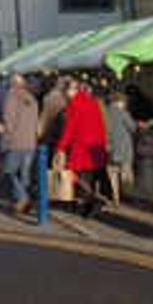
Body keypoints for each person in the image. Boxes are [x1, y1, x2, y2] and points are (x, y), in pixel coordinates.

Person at [56, 82, 110, 218]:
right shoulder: (93, 102)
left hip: (82, 148)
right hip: (96, 147)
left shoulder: (74, 104)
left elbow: (70, 128)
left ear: (71, 91)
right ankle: (91, 205)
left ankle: (93, 202)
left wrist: (61, 147)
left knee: (79, 177)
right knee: (91, 177)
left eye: (66, 93)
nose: (66, 96)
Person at [0, 73, 39, 214]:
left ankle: (23, 198)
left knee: (10, 171)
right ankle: (21, 203)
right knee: (24, 175)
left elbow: (8, 120)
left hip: (16, 142)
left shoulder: (12, 96)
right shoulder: (32, 98)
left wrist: (6, 138)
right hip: (30, 143)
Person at [104, 91, 137, 206]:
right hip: (124, 149)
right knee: (126, 173)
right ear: (119, 102)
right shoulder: (123, 113)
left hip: (109, 148)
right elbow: (133, 128)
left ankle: (115, 197)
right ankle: (130, 197)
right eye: (124, 102)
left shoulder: (104, 113)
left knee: (112, 174)